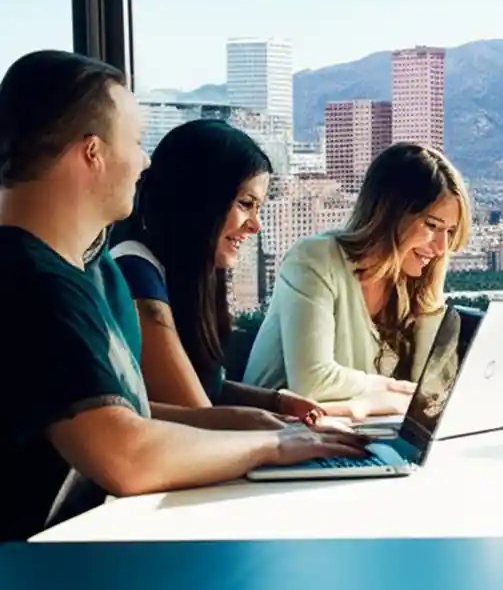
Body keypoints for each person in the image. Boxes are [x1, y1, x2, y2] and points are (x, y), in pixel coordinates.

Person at [0, 50, 369, 541]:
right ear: (92, 153)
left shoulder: (79, 270)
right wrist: (273, 447)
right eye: (135, 141)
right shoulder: (32, 283)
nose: (145, 161)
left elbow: (106, 416)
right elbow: (125, 454)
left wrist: (250, 423)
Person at [110, 120, 321, 422]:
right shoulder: (135, 273)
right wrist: (280, 431)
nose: (255, 225)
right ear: (200, 200)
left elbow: (208, 387)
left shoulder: (179, 269)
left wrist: (279, 402)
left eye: (258, 208)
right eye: (246, 204)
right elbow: (199, 417)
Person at [244, 143, 472, 413]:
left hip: (357, 432)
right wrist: (390, 389)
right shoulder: (315, 259)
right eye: (432, 225)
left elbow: (428, 397)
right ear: (389, 213)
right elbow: (311, 384)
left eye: (450, 232)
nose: (441, 247)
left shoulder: (413, 282)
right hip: (277, 430)